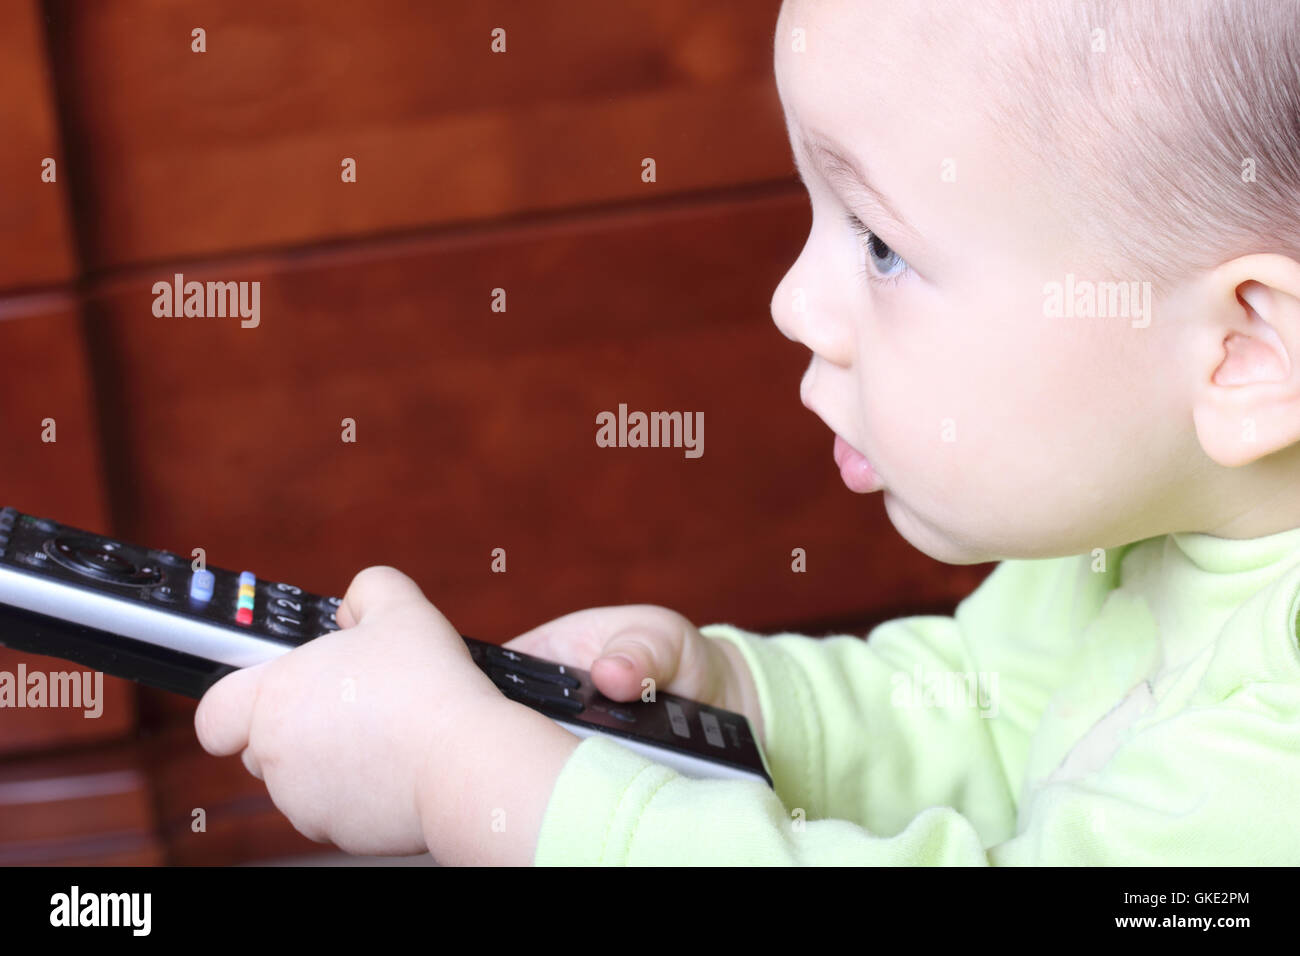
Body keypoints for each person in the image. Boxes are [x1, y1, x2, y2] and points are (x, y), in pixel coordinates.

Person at [195, 0, 1300, 865]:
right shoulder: (1147, 521)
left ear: (1244, 350)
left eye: (880, 245)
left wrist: (468, 776)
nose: (791, 303)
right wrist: (740, 707)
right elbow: (983, 714)